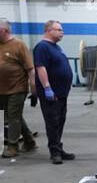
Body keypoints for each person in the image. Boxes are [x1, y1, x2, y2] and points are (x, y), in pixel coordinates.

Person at [0, 18, 36, 159]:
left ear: (4, 30)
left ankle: (12, 146)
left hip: (17, 87)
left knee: (13, 117)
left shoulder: (19, 45)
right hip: (1, 88)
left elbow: (30, 68)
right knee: (14, 116)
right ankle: (29, 141)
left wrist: (33, 88)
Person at [33, 19, 77, 164]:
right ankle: (54, 152)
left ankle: (58, 147)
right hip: (51, 93)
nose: (62, 32)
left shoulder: (56, 47)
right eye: (58, 29)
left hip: (61, 93)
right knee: (52, 122)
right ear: (48, 31)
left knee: (60, 121)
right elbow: (41, 68)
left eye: (62, 30)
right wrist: (47, 87)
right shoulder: (42, 47)